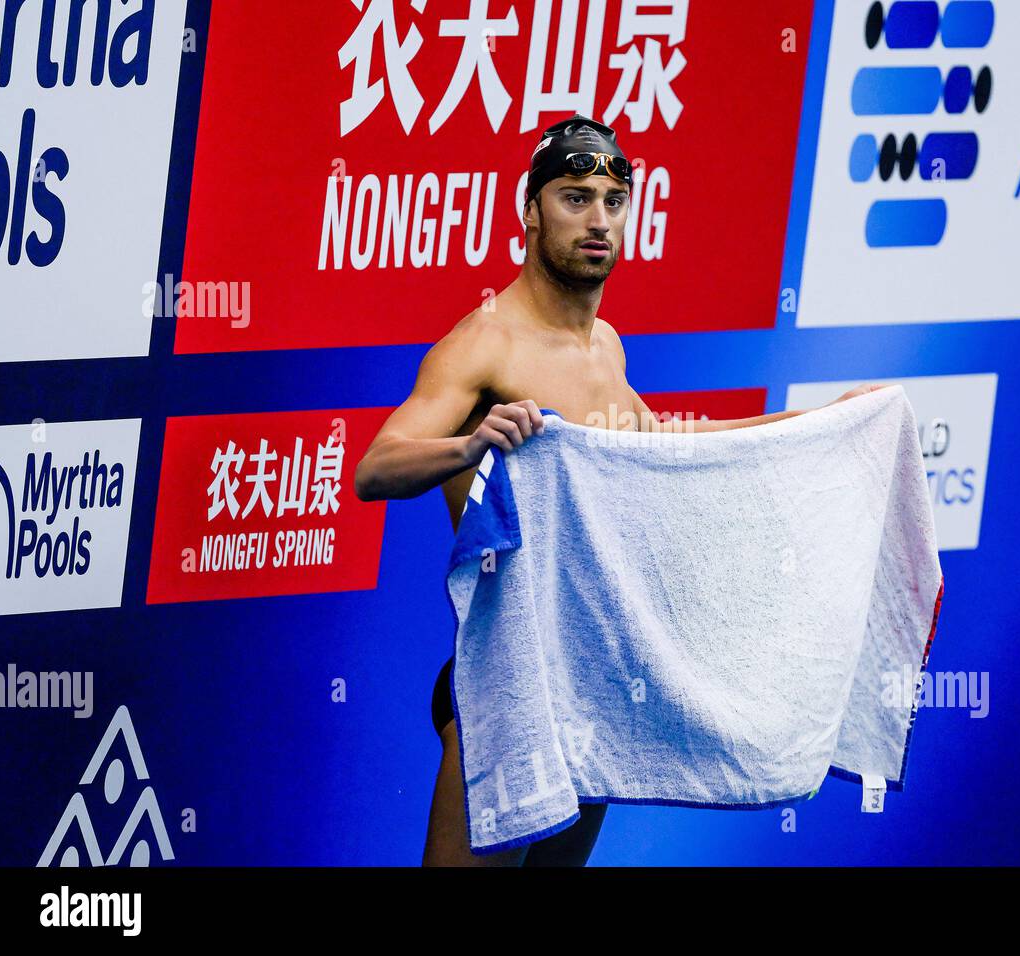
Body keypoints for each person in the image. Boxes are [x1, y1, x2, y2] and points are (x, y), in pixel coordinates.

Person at [353, 113, 886, 866]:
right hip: (507, 690)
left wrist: (818, 421)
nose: (598, 220)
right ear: (530, 209)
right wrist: (469, 445)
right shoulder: (485, 343)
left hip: (592, 691)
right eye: (574, 198)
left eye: (614, 200)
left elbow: (662, 440)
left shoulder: (604, 345)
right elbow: (374, 469)